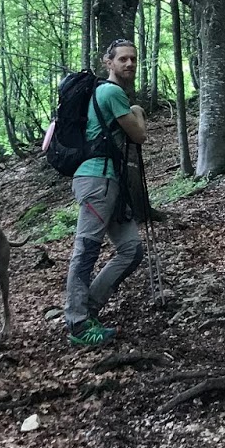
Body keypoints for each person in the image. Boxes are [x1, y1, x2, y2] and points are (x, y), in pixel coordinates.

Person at [62, 39, 148, 346]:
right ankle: (77, 324)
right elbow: (138, 134)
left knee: (132, 249)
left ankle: (89, 309)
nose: (129, 64)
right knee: (86, 250)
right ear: (107, 63)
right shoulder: (112, 92)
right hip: (97, 180)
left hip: (108, 180)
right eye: (122, 59)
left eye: (133, 60)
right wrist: (137, 110)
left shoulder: (102, 93)